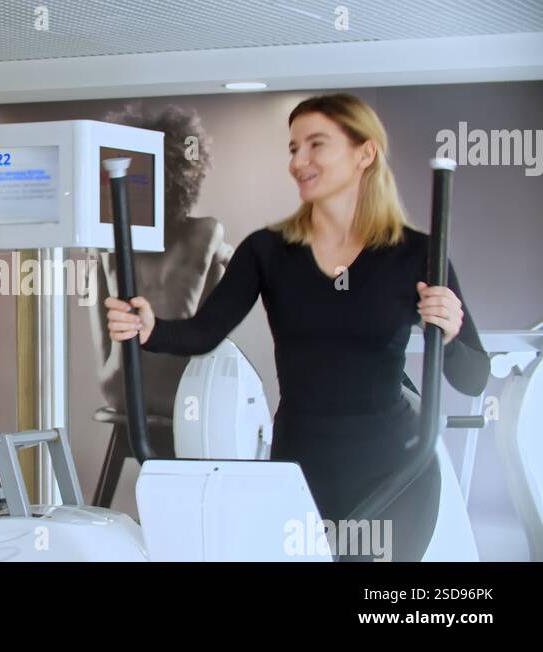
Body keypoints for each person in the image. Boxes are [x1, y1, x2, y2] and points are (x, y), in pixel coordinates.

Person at [105, 93, 490, 561]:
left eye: (315, 145)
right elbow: (203, 333)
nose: (298, 161)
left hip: (397, 468)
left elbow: (473, 377)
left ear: (364, 153)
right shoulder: (268, 251)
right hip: (301, 467)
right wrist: (150, 328)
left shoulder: (416, 254)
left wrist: (448, 335)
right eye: (292, 148)